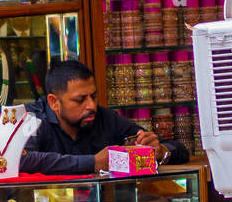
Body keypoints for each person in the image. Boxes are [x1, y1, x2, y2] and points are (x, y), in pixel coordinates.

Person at [21, 59, 189, 175]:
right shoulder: (31, 117)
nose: (91, 106)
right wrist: (93, 162)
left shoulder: (105, 118)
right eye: (80, 100)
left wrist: (161, 151)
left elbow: (180, 150)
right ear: (54, 102)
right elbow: (22, 160)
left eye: (93, 97)